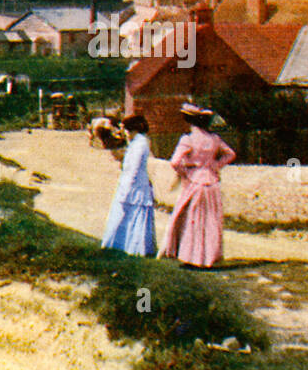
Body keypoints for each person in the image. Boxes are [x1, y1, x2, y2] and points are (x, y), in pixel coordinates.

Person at [160, 103, 237, 268]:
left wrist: (185, 173)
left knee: (192, 219)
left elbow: (174, 162)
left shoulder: (188, 139)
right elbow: (230, 154)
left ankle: (192, 256)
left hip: (195, 182)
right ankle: (207, 258)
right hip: (212, 182)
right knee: (210, 220)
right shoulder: (215, 139)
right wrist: (215, 165)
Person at [101, 114, 157, 257]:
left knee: (133, 214)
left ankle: (136, 247)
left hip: (136, 184)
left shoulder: (141, 143)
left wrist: (127, 187)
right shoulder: (135, 142)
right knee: (123, 213)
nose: (125, 134)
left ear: (133, 130)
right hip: (129, 182)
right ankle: (118, 244)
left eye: (126, 130)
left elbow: (135, 167)